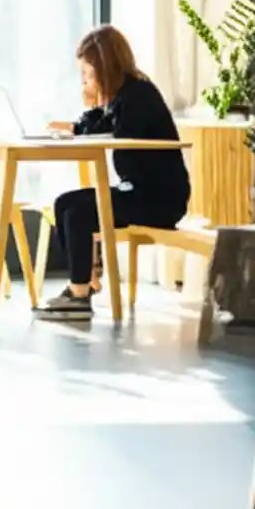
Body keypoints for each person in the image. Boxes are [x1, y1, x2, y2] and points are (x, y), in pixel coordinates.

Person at [35, 25, 191, 321]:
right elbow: (98, 122)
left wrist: (90, 109)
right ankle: (86, 282)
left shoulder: (139, 95)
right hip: (136, 191)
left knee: (77, 213)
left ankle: (79, 295)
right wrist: (86, 115)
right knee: (64, 203)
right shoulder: (123, 96)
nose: (87, 81)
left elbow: (117, 129)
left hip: (160, 200)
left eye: (89, 75)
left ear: (106, 69)